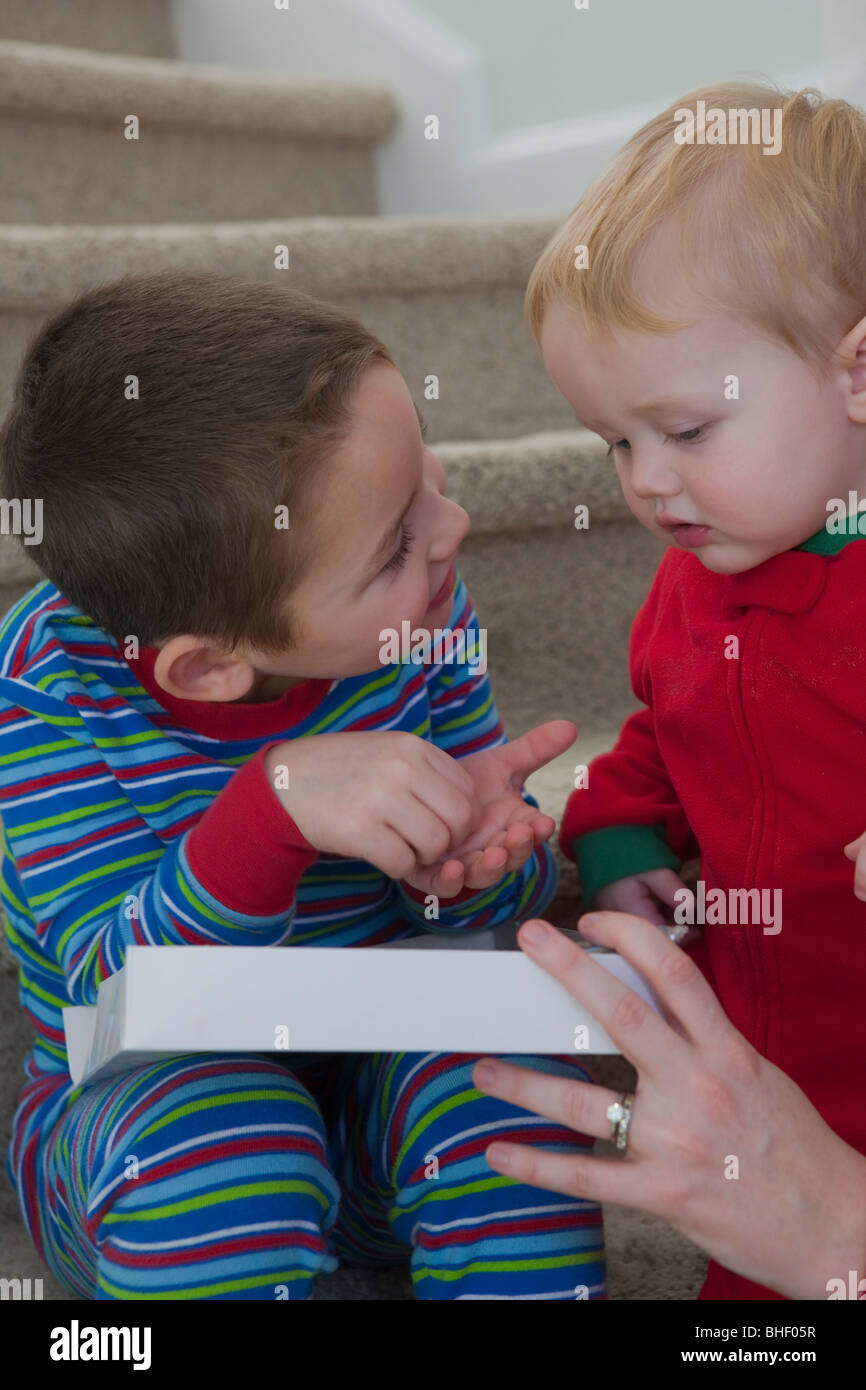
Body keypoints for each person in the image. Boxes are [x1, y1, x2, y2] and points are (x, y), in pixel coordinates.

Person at [0, 271, 605, 1300]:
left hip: (376, 1084)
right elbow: (115, 995)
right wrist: (266, 811)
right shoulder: (45, 690)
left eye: (426, 473)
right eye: (396, 543)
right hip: (141, 1115)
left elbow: (469, 915)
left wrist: (473, 867)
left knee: (507, 1087)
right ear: (207, 666)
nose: (450, 525)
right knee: (224, 1138)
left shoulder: (420, 611)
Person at [474, 78, 866, 1301]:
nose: (646, 482)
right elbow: (659, 731)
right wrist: (619, 831)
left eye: (685, 431)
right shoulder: (690, 582)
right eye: (613, 442)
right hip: (758, 1061)